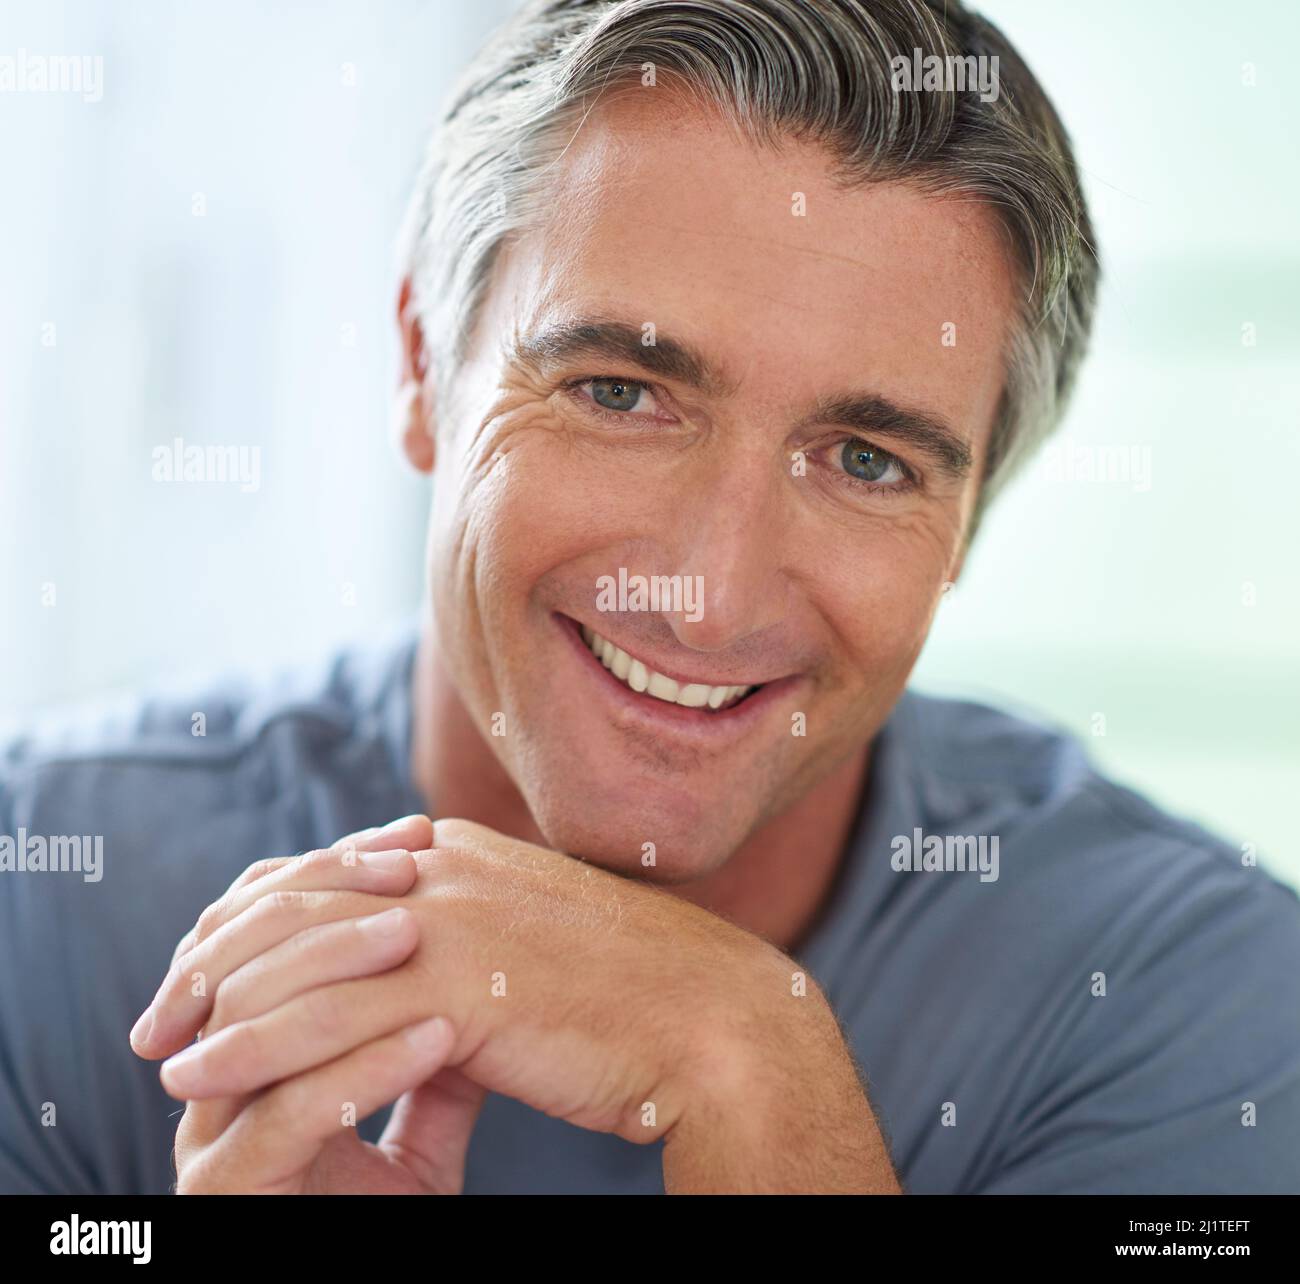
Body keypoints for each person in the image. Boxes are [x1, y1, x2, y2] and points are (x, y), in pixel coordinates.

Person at [3, 0, 1298, 1195]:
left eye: (866, 461)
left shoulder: (1192, 1004)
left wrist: (754, 1065)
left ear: (965, 524)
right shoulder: (40, 897)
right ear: (420, 364)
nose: (710, 600)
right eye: (620, 394)